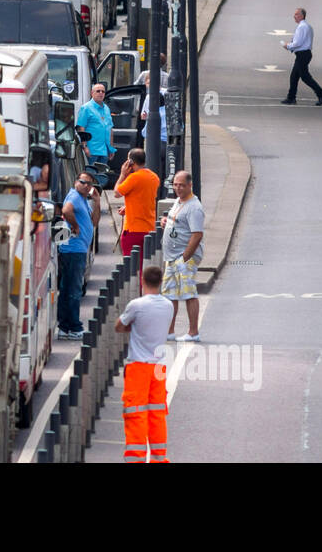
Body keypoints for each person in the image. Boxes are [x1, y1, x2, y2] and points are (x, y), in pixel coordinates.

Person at [114, 264, 172, 462]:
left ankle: (136, 458)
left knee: (136, 413)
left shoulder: (137, 305)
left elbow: (119, 326)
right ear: (161, 282)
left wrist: (135, 328)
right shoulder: (168, 305)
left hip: (138, 366)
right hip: (159, 367)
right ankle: (158, 458)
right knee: (157, 414)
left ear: (142, 281)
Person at [160, 170, 203, 342]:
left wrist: (185, 258)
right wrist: (166, 223)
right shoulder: (179, 201)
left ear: (190, 185)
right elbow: (177, 221)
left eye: (182, 185)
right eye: (175, 185)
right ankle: (169, 331)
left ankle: (193, 332)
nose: (178, 188)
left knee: (188, 293)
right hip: (172, 257)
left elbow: (197, 234)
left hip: (184, 257)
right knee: (170, 294)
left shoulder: (194, 208)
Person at [56, 173, 96, 340]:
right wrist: (75, 226)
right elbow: (66, 210)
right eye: (83, 182)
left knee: (67, 288)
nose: (86, 185)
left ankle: (65, 327)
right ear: (75, 182)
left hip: (76, 249)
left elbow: (94, 222)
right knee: (73, 289)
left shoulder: (83, 200)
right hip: (74, 249)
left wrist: (98, 202)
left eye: (89, 184)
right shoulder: (74, 196)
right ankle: (74, 327)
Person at [114, 148, 160, 273]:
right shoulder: (154, 177)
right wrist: (128, 208)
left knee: (132, 269)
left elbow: (117, 193)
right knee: (144, 267)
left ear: (130, 162)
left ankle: (137, 292)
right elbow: (143, 199)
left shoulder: (133, 178)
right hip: (149, 228)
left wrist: (123, 175)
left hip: (133, 230)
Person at [279, 8, 322, 105]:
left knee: (305, 77)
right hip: (304, 54)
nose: (294, 16)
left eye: (296, 14)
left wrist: (287, 46)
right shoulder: (307, 26)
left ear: (302, 16)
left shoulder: (302, 27)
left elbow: (298, 42)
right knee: (294, 76)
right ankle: (291, 98)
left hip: (303, 55)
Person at [76, 83, 113, 167]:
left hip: (104, 151)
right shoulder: (86, 108)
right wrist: (85, 146)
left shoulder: (107, 109)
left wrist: (111, 148)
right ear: (92, 93)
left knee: (102, 177)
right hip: (92, 150)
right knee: (91, 176)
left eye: (103, 91)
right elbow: (81, 128)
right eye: (98, 91)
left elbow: (110, 128)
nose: (101, 93)